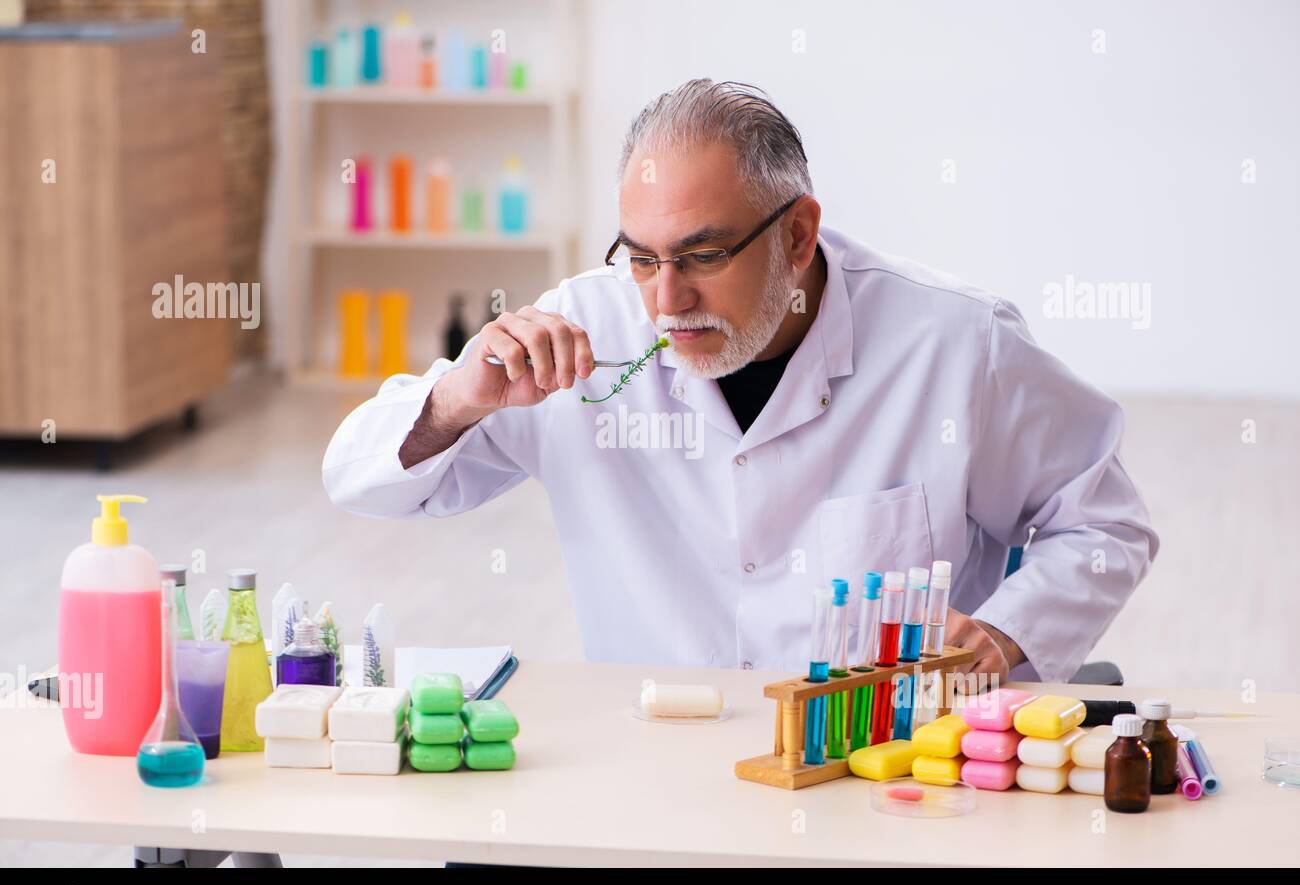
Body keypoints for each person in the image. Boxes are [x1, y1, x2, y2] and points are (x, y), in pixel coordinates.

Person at [324, 79, 1158, 684]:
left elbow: (1105, 523)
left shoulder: (956, 344)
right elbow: (357, 479)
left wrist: (1008, 633)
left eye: (703, 255)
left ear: (798, 235)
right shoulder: (580, 338)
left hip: (880, 776)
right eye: (641, 257)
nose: (666, 298)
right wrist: (457, 399)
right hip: (654, 772)